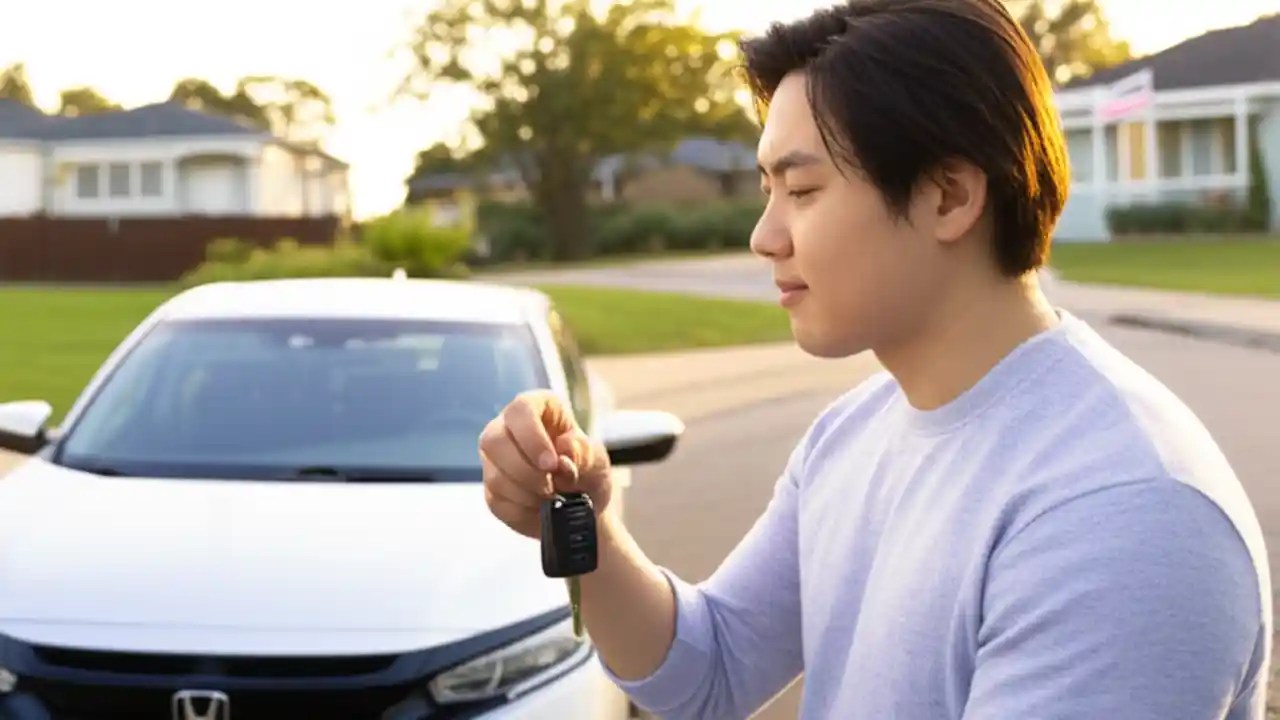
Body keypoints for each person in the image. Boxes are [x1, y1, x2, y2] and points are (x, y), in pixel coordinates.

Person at [477, 0, 1273, 717]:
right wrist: (590, 527)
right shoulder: (853, 432)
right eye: (766, 190)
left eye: (803, 191)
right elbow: (709, 673)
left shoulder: (1121, 511)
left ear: (949, 197)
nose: (765, 236)